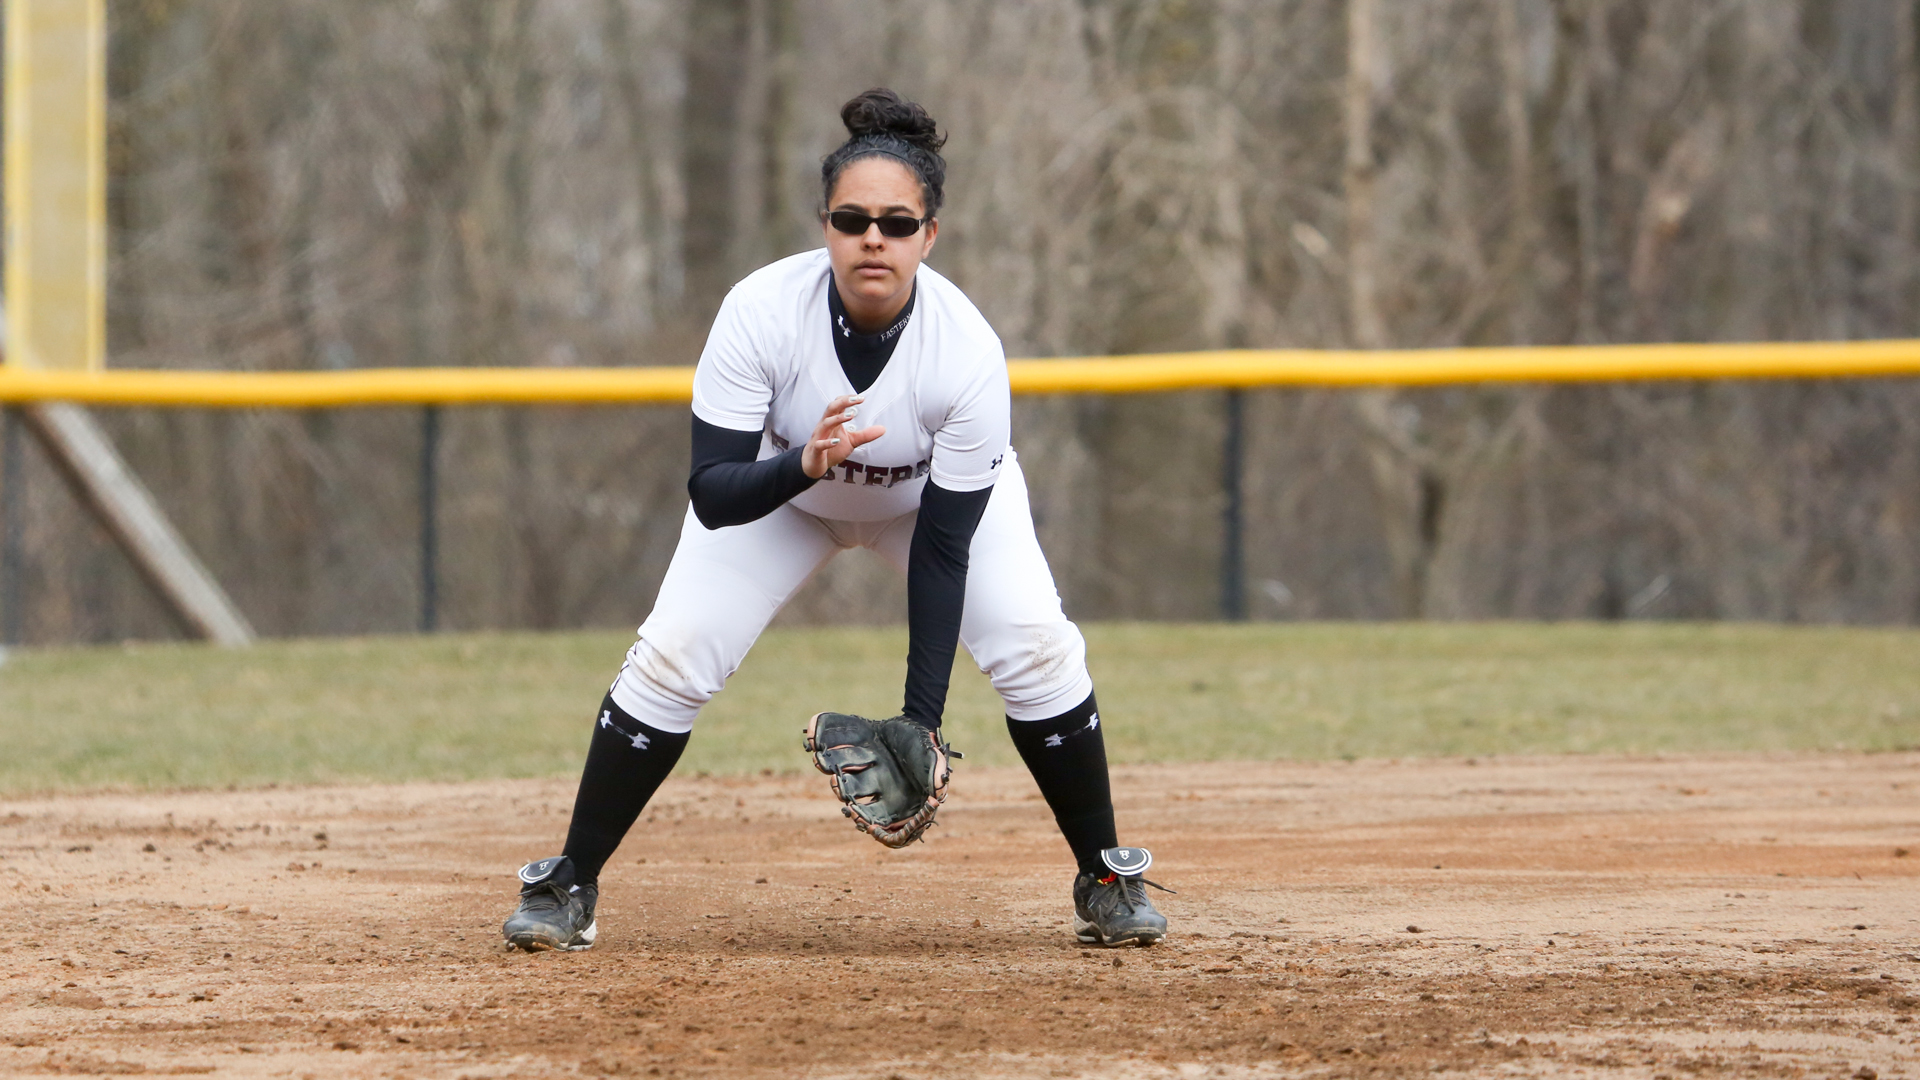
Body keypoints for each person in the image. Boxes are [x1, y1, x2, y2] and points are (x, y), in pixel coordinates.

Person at [501, 88, 1169, 952]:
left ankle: (1106, 879)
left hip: (923, 505)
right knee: (673, 656)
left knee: (1038, 650)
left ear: (930, 235)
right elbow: (714, 492)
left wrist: (920, 719)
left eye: (897, 222)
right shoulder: (760, 312)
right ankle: (570, 885)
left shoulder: (966, 352)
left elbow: (945, 548)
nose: (873, 238)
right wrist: (803, 466)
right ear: (826, 227)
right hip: (782, 495)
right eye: (852, 220)